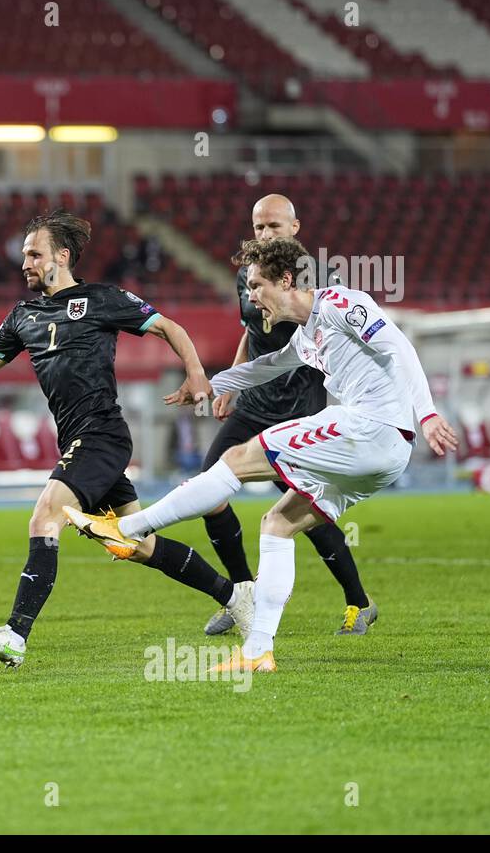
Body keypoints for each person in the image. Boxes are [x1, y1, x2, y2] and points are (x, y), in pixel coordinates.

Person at [65, 236, 458, 672]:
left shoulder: (341, 304)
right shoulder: (305, 338)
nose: (250, 297)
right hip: (380, 456)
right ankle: (258, 652)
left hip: (374, 427)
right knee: (277, 525)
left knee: (235, 460)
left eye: (255, 286)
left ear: (285, 280)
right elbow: (265, 367)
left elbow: (400, 348)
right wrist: (210, 384)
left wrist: (428, 414)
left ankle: (129, 529)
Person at [0, 210, 249, 669]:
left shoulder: (101, 300)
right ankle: (235, 597)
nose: (25, 263)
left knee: (45, 513)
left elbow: (171, 327)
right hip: (76, 439)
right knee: (132, 544)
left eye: (35, 254)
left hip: (102, 435)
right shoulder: (23, 316)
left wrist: (195, 373)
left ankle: (15, 633)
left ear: (62, 257)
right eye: (23, 255)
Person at [202, 193, 375, 636]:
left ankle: (359, 602)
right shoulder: (248, 274)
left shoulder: (319, 278)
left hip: (298, 410)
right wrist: (233, 385)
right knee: (210, 489)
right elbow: (249, 331)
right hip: (255, 405)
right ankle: (242, 593)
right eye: (258, 227)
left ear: (295, 229)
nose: (264, 234)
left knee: (303, 511)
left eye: (273, 227)